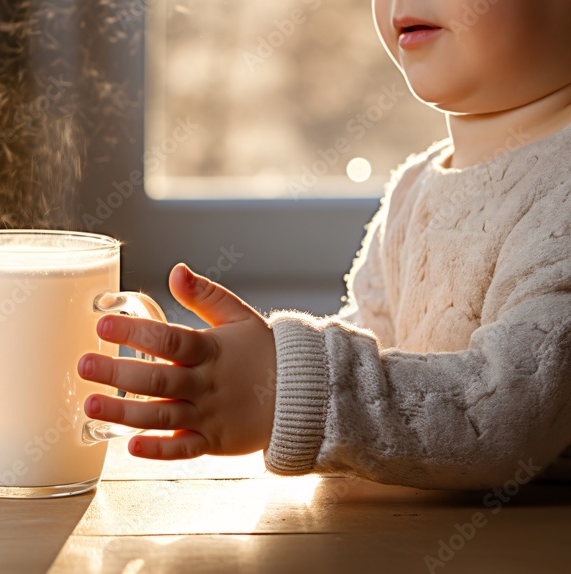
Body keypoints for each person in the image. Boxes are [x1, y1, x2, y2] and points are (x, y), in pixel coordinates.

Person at [78, 0, 571, 489]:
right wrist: (232, 373)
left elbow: (511, 414)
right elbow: (381, 347)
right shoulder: (414, 187)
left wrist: (287, 388)